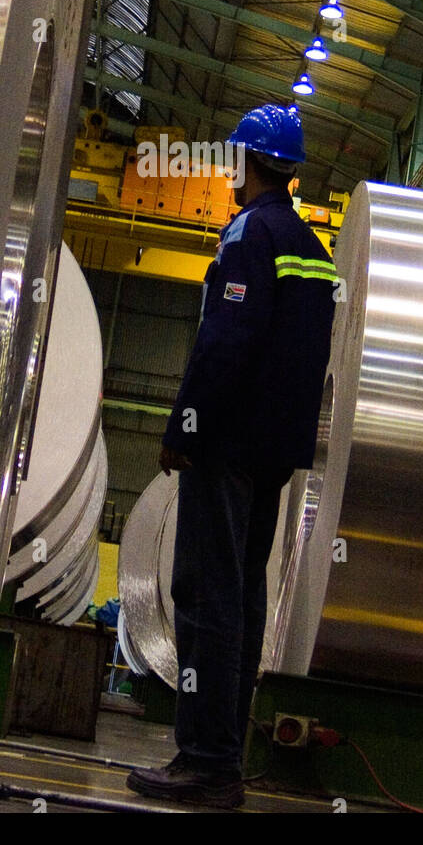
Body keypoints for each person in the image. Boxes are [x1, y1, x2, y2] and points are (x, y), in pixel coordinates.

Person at [126, 103, 337, 808]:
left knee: (204, 595)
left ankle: (205, 759)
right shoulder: (312, 248)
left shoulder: (249, 232)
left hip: (227, 445)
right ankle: (225, 751)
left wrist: (183, 430)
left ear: (247, 162)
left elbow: (225, 341)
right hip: (275, 452)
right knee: (243, 599)